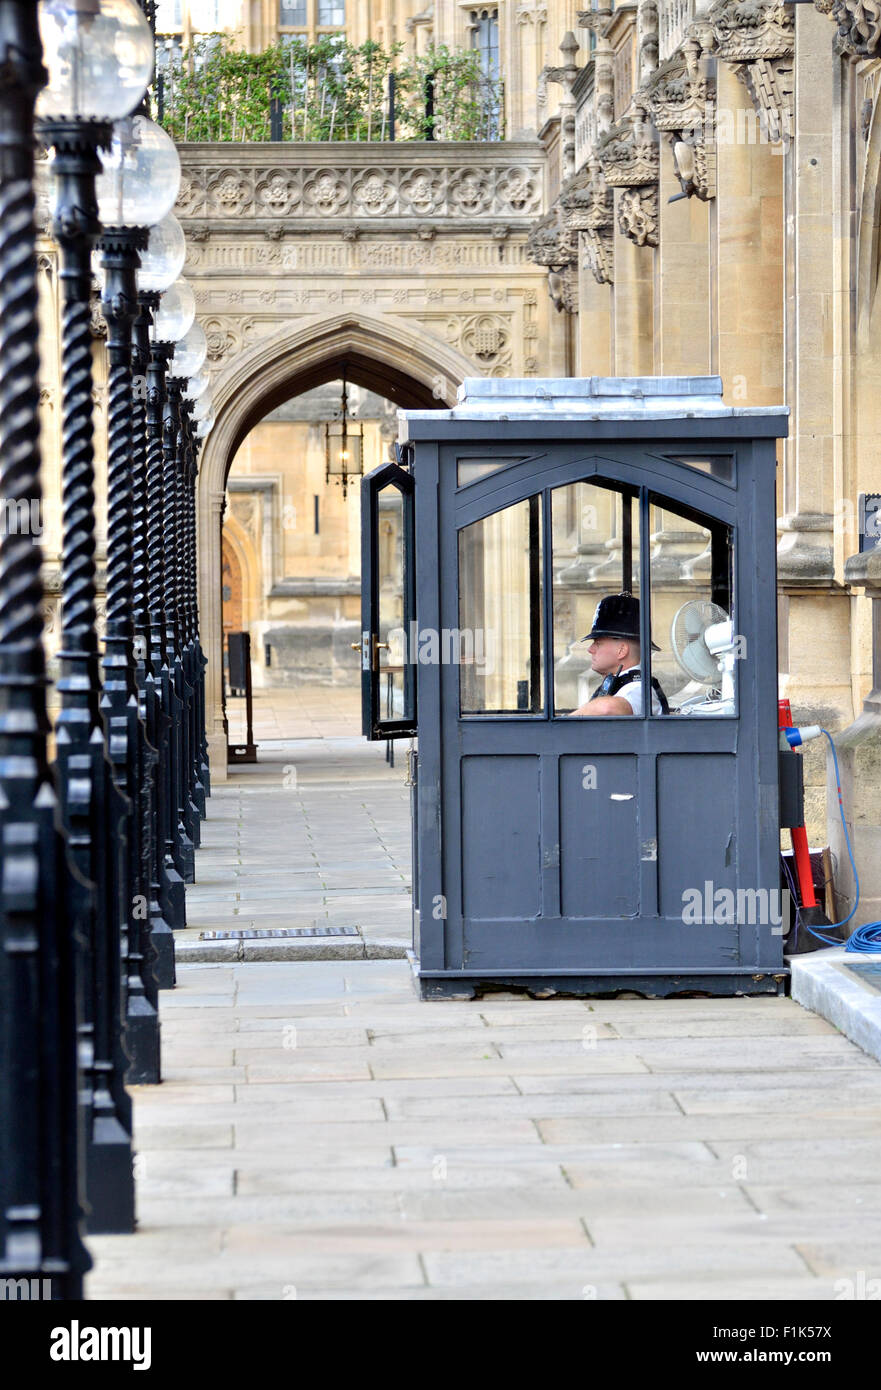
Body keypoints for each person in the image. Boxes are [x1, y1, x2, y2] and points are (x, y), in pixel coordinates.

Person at [571, 593, 669, 717]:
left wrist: (564, 723)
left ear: (621, 650)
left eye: (598, 643)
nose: (590, 649)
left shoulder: (637, 688)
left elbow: (606, 708)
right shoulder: (620, 685)